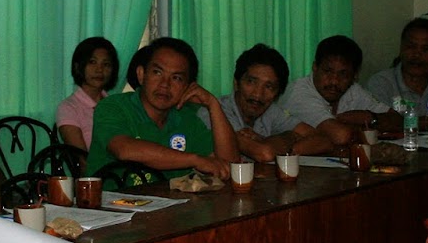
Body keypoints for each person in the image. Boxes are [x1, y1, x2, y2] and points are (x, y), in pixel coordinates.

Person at [85, 37, 237, 179]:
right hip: (110, 205)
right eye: (157, 72)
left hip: (171, 205)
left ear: (188, 86)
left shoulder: (186, 117)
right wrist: (195, 160)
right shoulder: (113, 106)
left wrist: (213, 105)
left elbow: (229, 167)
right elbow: (124, 149)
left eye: (176, 78)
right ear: (141, 74)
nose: (165, 84)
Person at [202, 43, 331, 162]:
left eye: (269, 87)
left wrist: (277, 141)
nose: (258, 94)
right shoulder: (215, 111)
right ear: (236, 83)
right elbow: (264, 153)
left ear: (277, 94)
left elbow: (324, 141)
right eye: (251, 82)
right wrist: (291, 137)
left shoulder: (269, 110)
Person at [279, 35, 398, 146]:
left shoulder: (353, 90)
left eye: (343, 74)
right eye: (328, 71)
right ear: (315, 67)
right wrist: (367, 126)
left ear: (355, 75)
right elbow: (340, 136)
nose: (334, 81)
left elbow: (398, 121)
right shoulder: (298, 93)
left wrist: (369, 117)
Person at [56, 37, 119, 152]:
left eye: (106, 64)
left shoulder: (117, 105)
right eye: (92, 62)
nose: (99, 70)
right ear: (78, 67)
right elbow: (81, 161)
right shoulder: (68, 108)